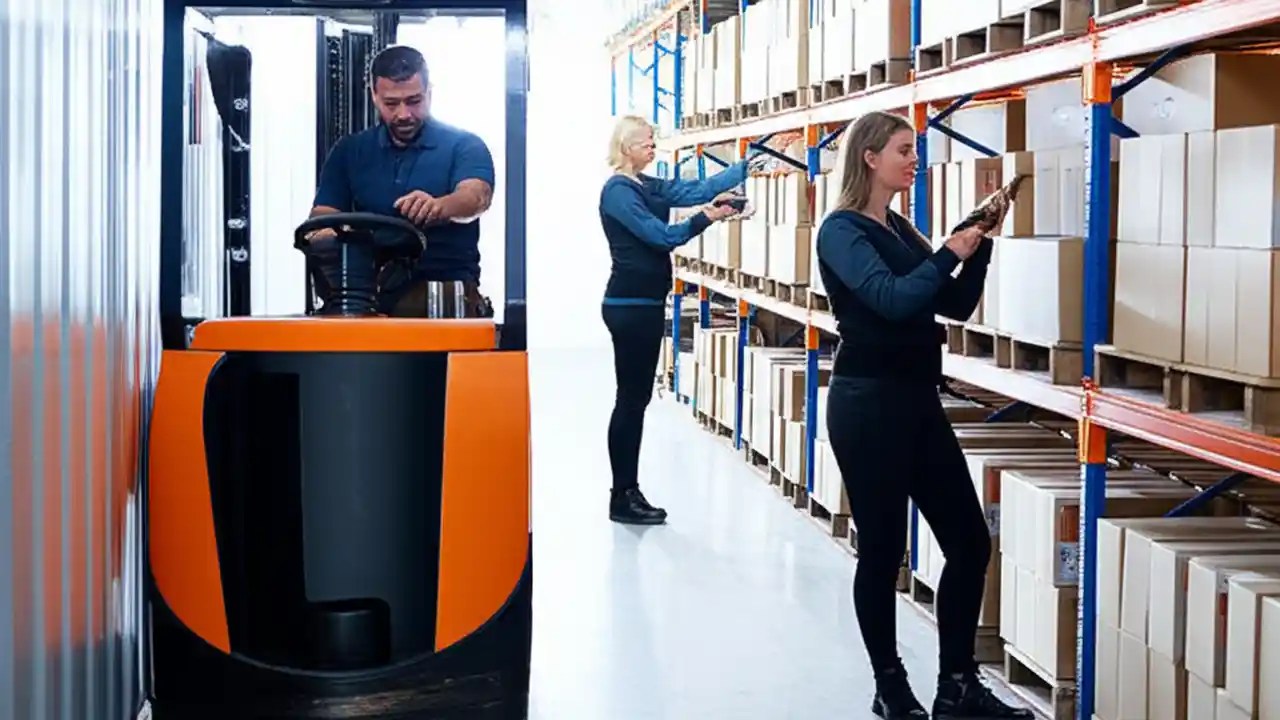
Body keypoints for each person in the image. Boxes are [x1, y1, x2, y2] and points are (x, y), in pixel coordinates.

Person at [815, 111, 1031, 720]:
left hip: (915, 401)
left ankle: (957, 686)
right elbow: (888, 300)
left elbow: (954, 303)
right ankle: (891, 687)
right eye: (905, 150)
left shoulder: (901, 227)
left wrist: (977, 244)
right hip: (868, 405)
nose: (915, 159)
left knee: (968, 541)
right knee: (883, 552)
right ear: (870, 158)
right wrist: (948, 251)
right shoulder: (842, 231)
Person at [597, 114, 798, 525]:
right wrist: (708, 217)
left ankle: (627, 491)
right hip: (630, 306)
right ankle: (623, 495)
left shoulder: (645, 185)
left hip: (645, 305)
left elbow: (693, 189)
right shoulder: (618, 192)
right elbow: (662, 237)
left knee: (635, 400)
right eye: (646, 142)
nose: (653, 147)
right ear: (626, 147)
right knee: (631, 401)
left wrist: (745, 167)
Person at [308, 44, 496, 318]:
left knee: (436, 304)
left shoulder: (464, 146)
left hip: (441, 289)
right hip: (365, 295)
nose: (404, 114)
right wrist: (333, 234)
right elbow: (322, 216)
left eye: (414, 101)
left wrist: (438, 207)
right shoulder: (350, 151)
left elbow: (475, 197)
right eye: (391, 104)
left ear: (429, 92)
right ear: (374, 95)